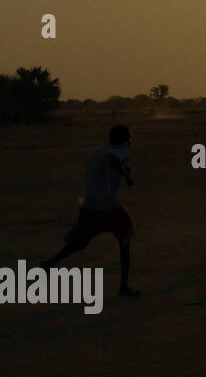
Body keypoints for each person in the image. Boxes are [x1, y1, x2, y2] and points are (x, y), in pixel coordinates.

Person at [39, 125, 140, 297]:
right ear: (124, 140)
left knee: (79, 242)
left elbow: (110, 165)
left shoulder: (99, 150)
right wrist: (127, 177)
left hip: (90, 204)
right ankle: (124, 286)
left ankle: (49, 263)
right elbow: (114, 161)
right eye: (129, 138)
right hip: (108, 206)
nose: (130, 142)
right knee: (126, 236)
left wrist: (123, 171)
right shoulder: (121, 150)